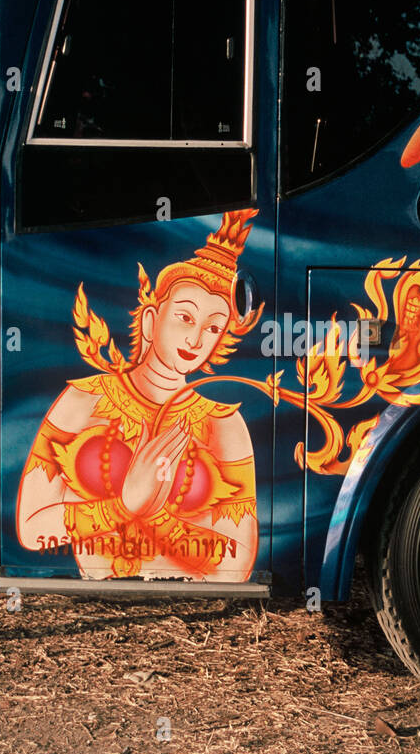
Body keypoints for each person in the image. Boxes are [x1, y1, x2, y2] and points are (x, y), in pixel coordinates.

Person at [16, 210, 261, 581]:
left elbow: (237, 565)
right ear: (150, 321)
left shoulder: (224, 424)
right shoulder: (84, 399)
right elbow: (32, 529)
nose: (196, 340)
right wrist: (123, 505)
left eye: (213, 327)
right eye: (185, 318)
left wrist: (155, 513)